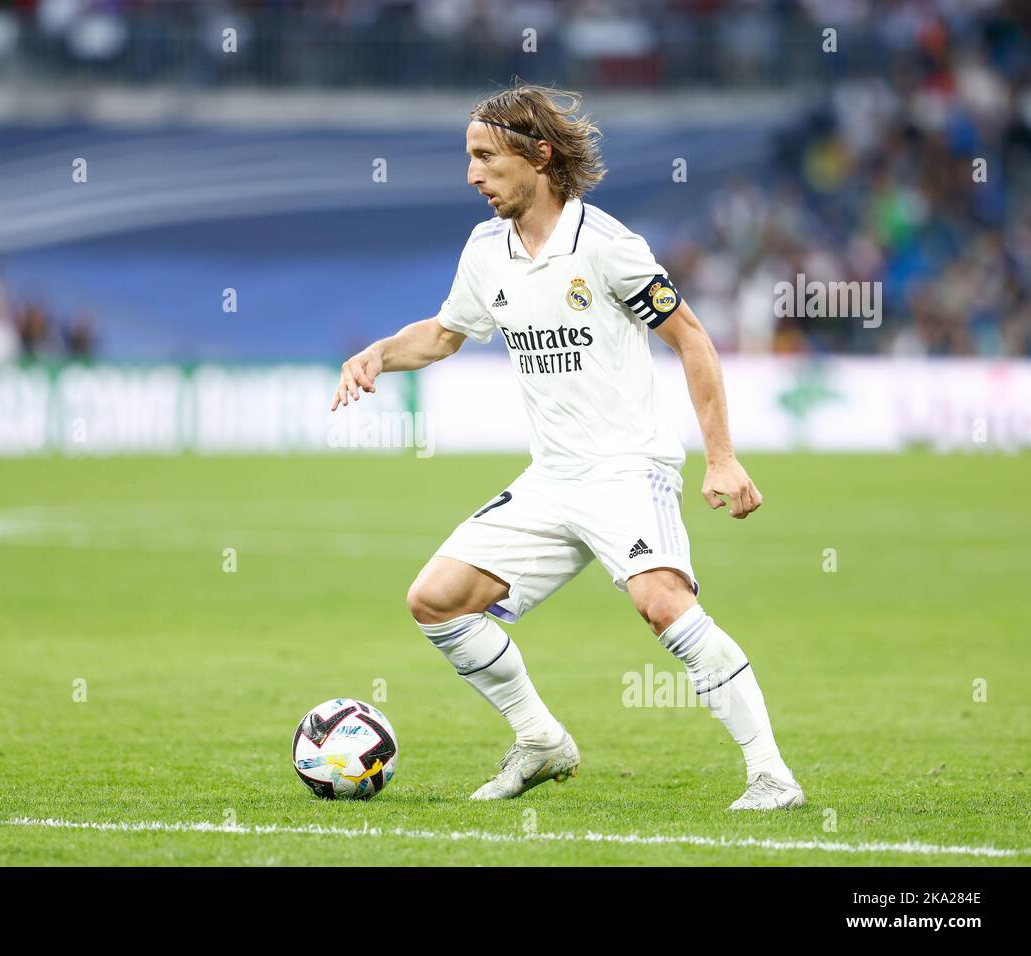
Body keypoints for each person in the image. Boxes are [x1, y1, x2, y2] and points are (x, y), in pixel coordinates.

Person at [330, 83, 803, 810]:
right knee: (436, 600)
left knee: (662, 603)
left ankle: (771, 774)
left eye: (485, 157)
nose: (472, 175)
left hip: (626, 467)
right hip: (553, 478)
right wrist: (379, 354)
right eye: (469, 158)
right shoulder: (487, 248)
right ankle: (541, 739)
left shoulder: (608, 247)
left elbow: (694, 340)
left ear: (539, 156)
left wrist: (722, 456)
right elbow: (447, 333)